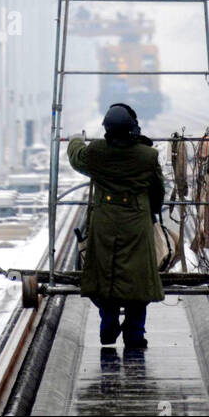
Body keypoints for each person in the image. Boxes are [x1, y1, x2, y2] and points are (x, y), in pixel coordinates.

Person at [67, 103, 165, 349]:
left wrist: (75, 140)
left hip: (104, 223)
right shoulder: (148, 156)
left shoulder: (97, 151)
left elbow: (77, 158)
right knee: (138, 280)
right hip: (137, 224)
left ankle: (108, 326)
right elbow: (158, 192)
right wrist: (150, 212)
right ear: (133, 127)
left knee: (104, 277)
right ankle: (134, 333)